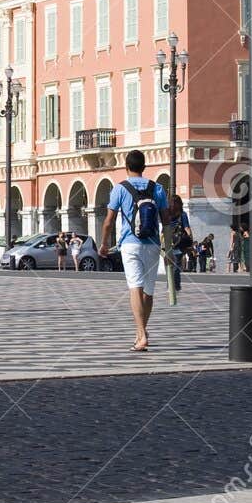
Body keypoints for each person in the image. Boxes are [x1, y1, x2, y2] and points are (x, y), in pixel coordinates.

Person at [101, 150, 170, 352]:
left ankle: (141, 336)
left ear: (126, 167)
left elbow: (108, 221)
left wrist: (104, 243)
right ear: (144, 166)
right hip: (153, 244)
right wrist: (169, 248)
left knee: (135, 288)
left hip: (130, 244)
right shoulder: (157, 188)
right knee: (148, 292)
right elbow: (166, 221)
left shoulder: (120, 189)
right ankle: (141, 332)